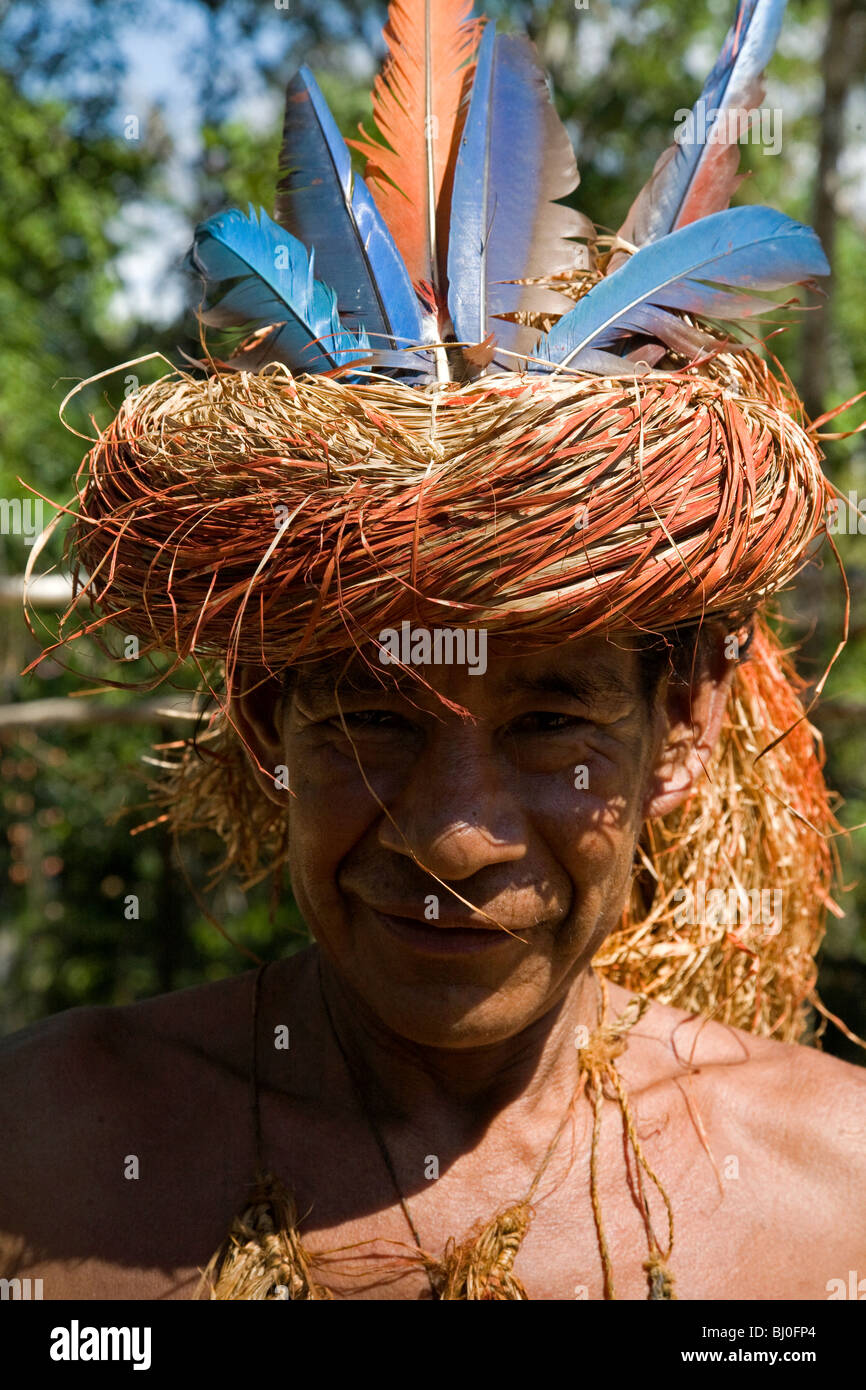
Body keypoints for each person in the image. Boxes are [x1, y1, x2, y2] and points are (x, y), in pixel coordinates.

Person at [1, 0, 864, 1300]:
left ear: (676, 733)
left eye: (547, 720)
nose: (454, 837)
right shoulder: (50, 1154)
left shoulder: (828, 1198)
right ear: (259, 723)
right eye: (374, 719)